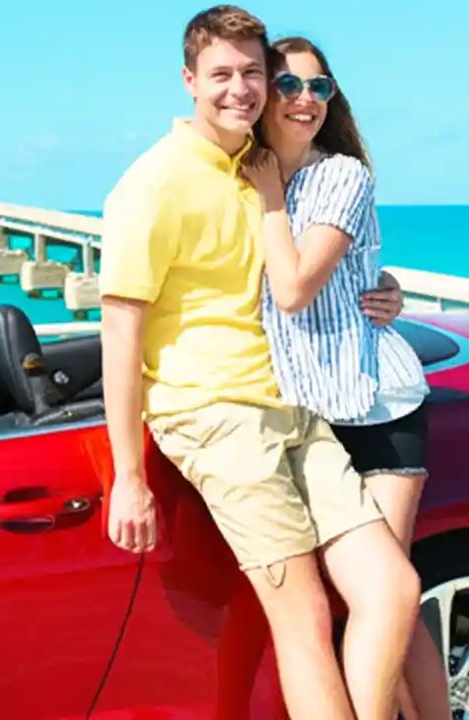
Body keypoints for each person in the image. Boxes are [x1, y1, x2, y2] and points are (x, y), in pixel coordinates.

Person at [99, 6, 420, 719]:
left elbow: (310, 274)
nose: (239, 89)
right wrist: (127, 476)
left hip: (296, 406)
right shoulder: (153, 185)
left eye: (253, 73)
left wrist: (383, 292)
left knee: (391, 588)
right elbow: (120, 331)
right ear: (188, 80)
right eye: (221, 74)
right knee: (302, 614)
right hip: (215, 415)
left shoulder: (260, 165)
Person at [241, 36, 448, 720]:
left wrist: (271, 198)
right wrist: (383, 283)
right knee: (385, 599)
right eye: (290, 86)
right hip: (309, 418)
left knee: (386, 595)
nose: (305, 100)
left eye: (319, 88)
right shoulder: (240, 176)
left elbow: (296, 287)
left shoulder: (341, 176)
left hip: (377, 408)